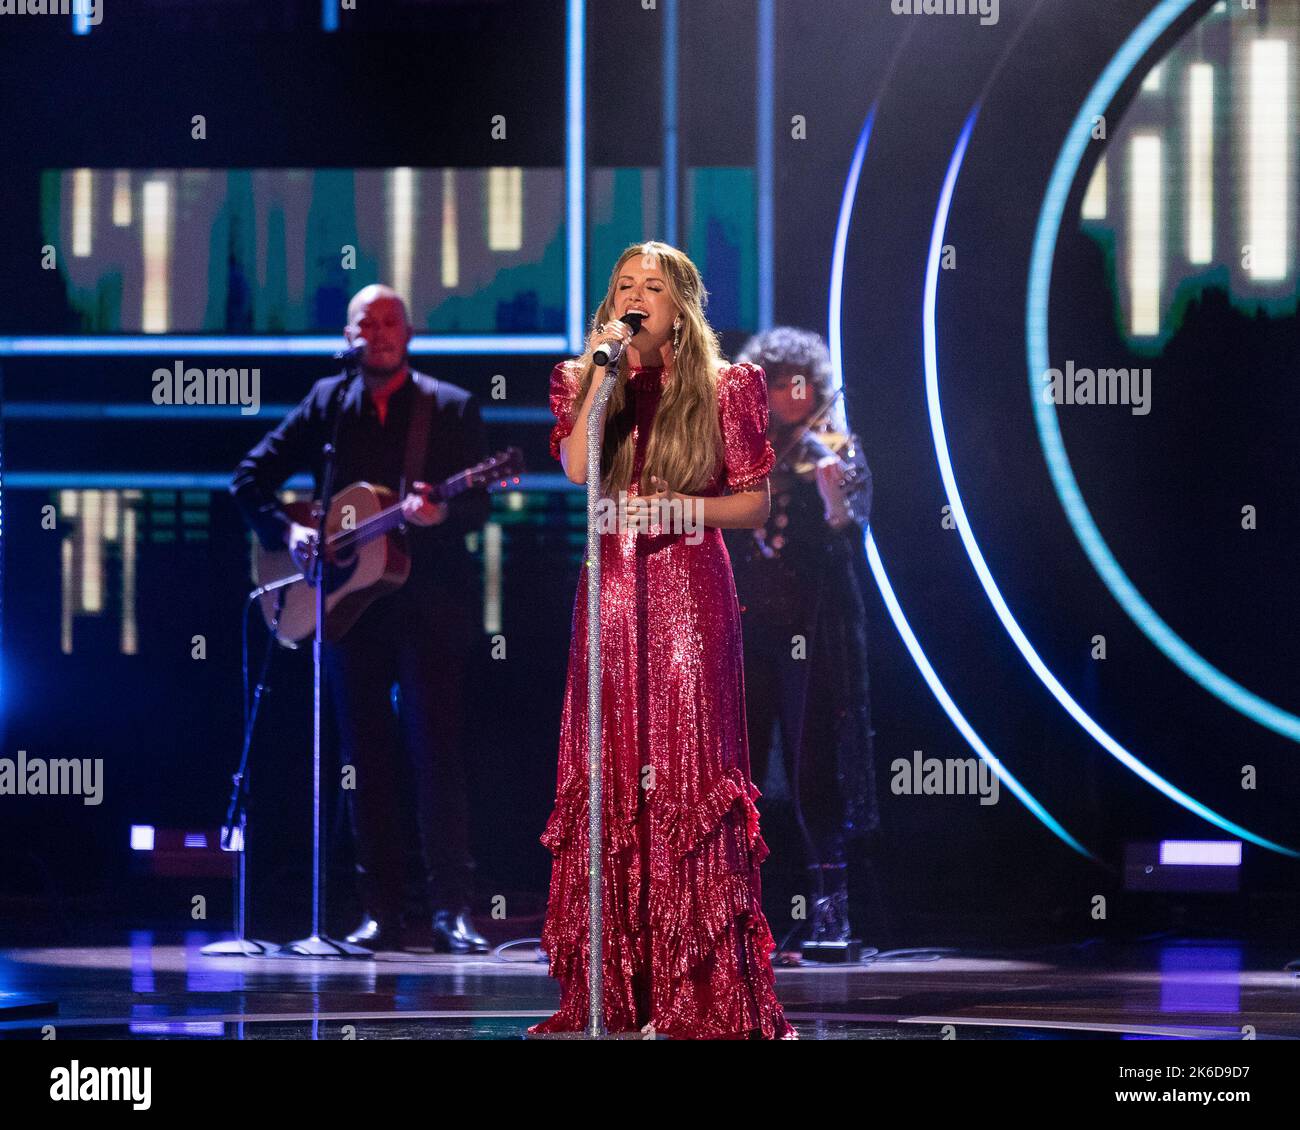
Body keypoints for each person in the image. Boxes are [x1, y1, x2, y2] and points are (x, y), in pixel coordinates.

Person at [530, 242, 796, 1039]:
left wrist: (680, 510)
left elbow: (754, 505)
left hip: (688, 591)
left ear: (681, 306)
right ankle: (621, 994)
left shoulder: (723, 387)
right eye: (623, 287)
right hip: (607, 593)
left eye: (652, 287)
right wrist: (603, 375)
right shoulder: (584, 380)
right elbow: (579, 469)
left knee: (683, 769)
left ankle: (701, 995)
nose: (636, 297)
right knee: (610, 771)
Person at [230, 284, 491, 953]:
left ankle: (451, 910)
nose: (377, 333)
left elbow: (479, 506)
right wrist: (289, 532)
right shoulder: (329, 403)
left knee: (437, 756)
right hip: (348, 610)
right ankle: (379, 911)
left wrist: (442, 511)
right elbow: (249, 479)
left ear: (408, 333)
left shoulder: (448, 406)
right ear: (347, 336)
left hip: (428, 604)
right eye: (364, 323)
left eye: (389, 322)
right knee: (364, 760)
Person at [725, 327, 879, 953]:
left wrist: (831, 490)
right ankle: (732, 911)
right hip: (743, 625)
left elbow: (853, 525)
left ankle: (830, 914)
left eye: (803, 383)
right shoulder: (737, 452)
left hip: (812, 630)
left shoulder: (836, 445)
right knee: (738, 767)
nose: (796, 393)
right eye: (780, 383)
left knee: (814, 762)